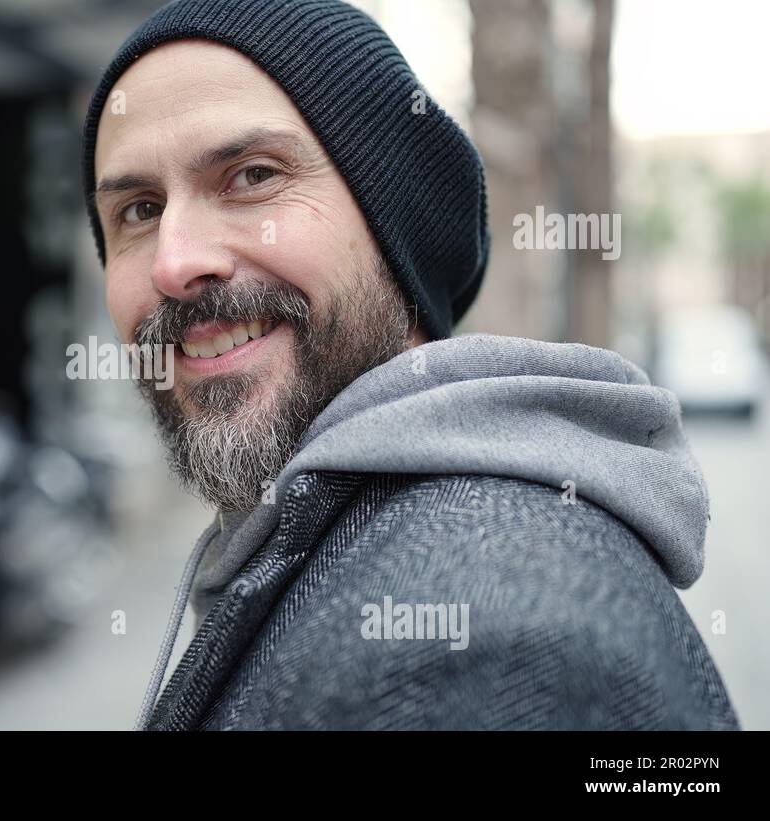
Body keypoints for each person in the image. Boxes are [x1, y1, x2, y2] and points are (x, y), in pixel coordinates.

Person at [79, 0, 739, 730]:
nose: (175, 262)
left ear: (399, 233)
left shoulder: (478, 644)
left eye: (253, 175)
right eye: (138, 210)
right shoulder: (330, 541)